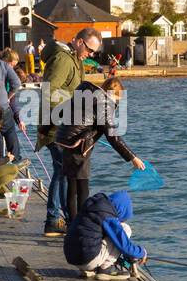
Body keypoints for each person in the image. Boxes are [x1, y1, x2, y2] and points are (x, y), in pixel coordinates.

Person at [54, 76, 145, 224]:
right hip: (78, 146)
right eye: (118, 99)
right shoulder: (105, 103)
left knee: (72, 186)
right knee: (83, 187)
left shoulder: (86, 92)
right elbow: (113, 137)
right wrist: (133, 158)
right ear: (114, 94)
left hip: (64, 141)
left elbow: (61, 112)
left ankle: (72, 224)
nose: (117, 103)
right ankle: (81, 225)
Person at [38, 27, 101, 238]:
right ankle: (54, 219)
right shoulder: (64, 60)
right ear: (80, 42)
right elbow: (49, 90)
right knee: (62, 171)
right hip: (57, 127)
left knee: (65, 172)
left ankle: (65, 218)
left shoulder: (75, 60)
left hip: (66, 126)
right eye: (90, 50)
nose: (91, 55)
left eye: (94, 53)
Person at [63, 190, 146, 281]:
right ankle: (105, 268)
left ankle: (91, 267)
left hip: (72, 257)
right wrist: (142, 252)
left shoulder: (93, 207)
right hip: (87, 258)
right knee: (125, 228)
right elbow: (125, 246)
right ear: (121, 210)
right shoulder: (107, 216)